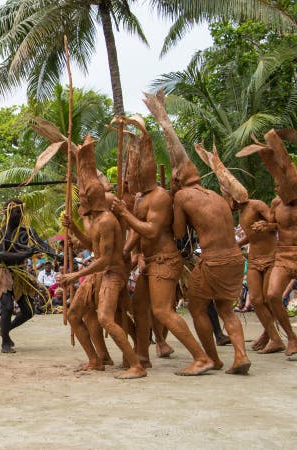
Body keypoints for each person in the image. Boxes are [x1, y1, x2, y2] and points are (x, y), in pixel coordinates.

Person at [146, 90, 250, 374]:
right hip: (235, 259)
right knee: (226, 309)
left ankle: (209, 359)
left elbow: (179, 233)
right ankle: (240, 356)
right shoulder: (215, 195)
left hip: (214, 261)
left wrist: (171, 200)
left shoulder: (183, 197)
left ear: (179, 179)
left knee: (196, 308)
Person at [111, 115, 213, 376]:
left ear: (144, 172)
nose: (129, 179)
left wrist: (124, 215)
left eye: (133, 174)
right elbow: (137, 232)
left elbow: (151, 230)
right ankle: (142, 357)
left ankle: (201, 357)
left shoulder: (159, 197)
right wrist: (124, 252)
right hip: (149, 261)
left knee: (162, 311)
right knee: (140, 309)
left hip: (164, 260)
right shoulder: (140, 197)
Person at [59, 135, 146, 379]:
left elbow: (106, 260)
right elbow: (91, 246)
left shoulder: (107, 221)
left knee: (106, 318)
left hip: (112, 274)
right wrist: (74, 228)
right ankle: (95, 360)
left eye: (83, 197)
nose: (80, 201)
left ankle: (136, 365)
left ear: (92, 199)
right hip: (98, 273)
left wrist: (75, 274)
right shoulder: (97, 220)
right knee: (74, 315)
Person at [238, 129, 297, 357]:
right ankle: (290, 338)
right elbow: (274, 225)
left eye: (280, 185)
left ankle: (273, 335)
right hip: (283, 254)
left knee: (269, 296)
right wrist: (267, 227)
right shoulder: (275, 203)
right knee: (271, 296)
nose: (277, 188)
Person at [0, 198, 40, 353]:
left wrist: (57, 254)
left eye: (22, 211)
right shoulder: (1, 232)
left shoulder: (26, 231)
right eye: (18, 212)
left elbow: (42, 244)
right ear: (9, 213)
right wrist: (25, 253)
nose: (21, 215)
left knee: (29, 311)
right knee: (7, 307)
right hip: (3, 273)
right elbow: (1, 254)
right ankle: (5, 342)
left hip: (19, 274)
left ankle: (5, 330)